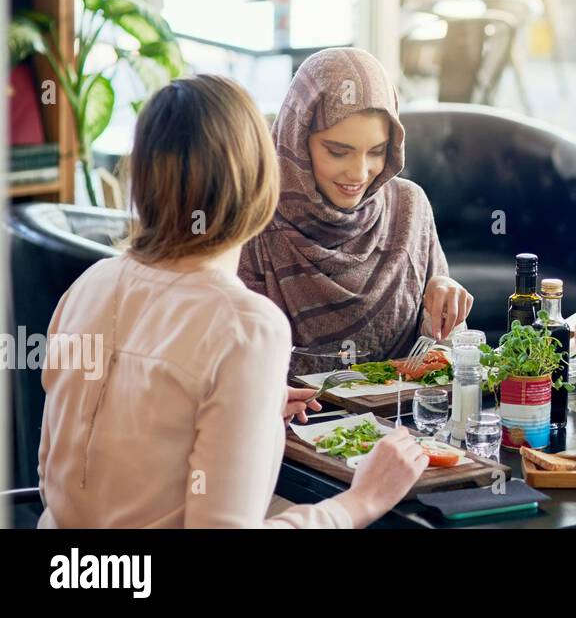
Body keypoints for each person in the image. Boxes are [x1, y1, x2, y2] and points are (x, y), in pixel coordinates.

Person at [38, 75, 427, 527]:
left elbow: (60, 472)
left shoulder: (88, 285)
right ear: (262, 177)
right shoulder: (246, 325)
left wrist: (243, 406)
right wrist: (361, 501)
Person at [239, 48, 473, 377]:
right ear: (297, 139)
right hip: (289, 424)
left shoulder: (408, 207)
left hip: (401, 423)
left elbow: (439, 355)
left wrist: (443, 302)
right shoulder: (253, 221)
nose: (359, 174)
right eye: (337, 152)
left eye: (377, 151)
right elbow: (237, 363)